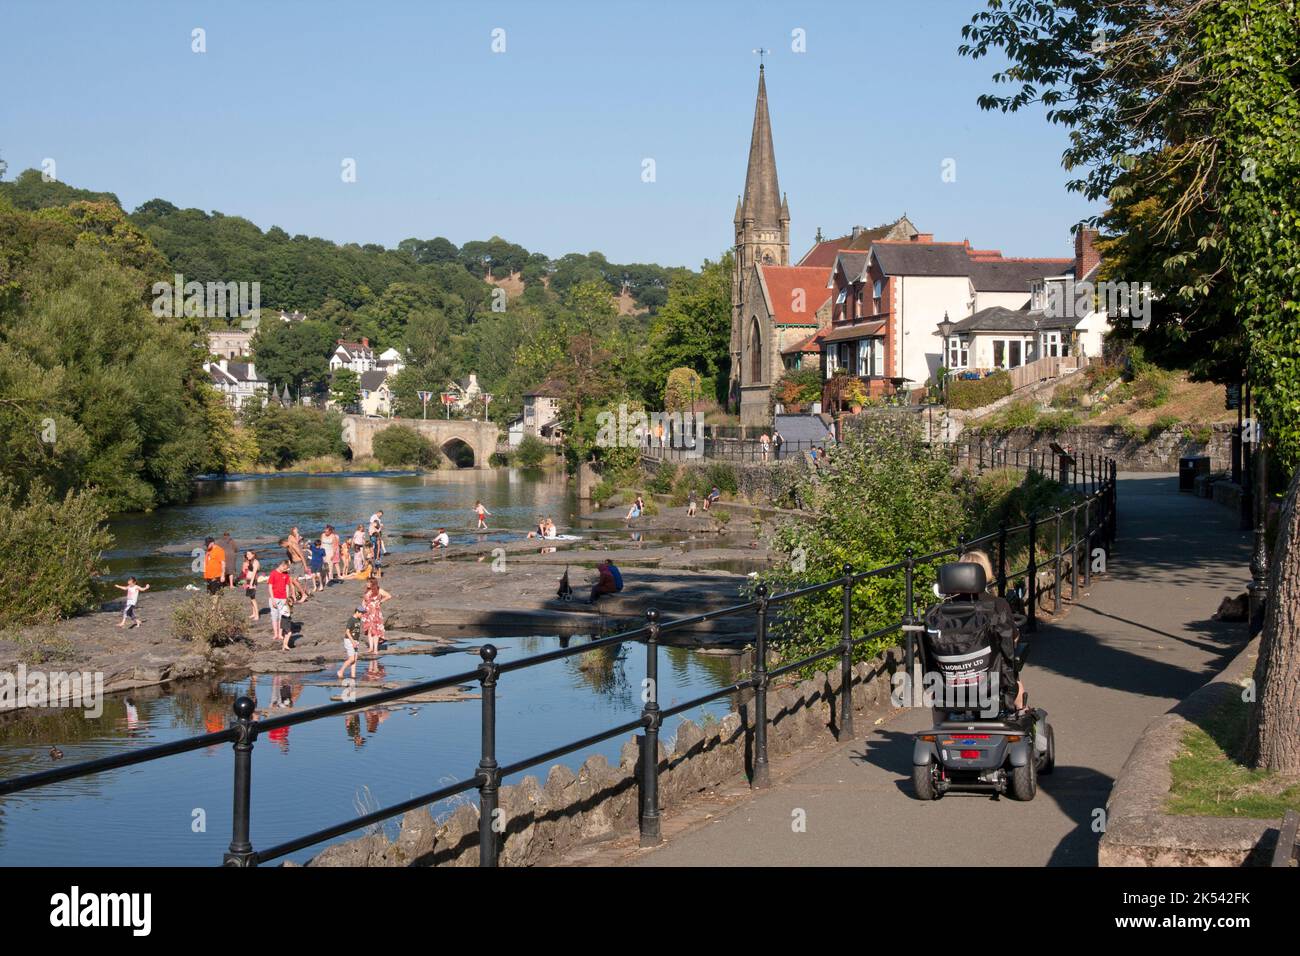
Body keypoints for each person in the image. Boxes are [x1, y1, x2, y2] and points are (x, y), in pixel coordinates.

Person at [954, 549, 1025, 713]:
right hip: (992, 678)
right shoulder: (998, 605)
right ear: (985, 572)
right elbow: (1012, 638)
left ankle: (941, 724)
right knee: (1014, 676)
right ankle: (1022, 712)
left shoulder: (943, 611)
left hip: (952, 680)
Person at [361, 576, 393, 655]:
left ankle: (375, 649)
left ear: (373, 583)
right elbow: (364, 601)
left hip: (375, 613)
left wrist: (380, 601)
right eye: (367, 582)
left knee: (375, 631)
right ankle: (371, 648)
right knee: (369, 630)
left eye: (368, 582)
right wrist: (362, 609)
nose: (367, 583)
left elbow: (389, 596)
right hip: (367, 612)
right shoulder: (367, 591)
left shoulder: (379, 590)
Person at [267, 560, 293, 649]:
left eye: (286, 569)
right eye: (284, 568)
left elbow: (287, 586)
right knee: (274, 616)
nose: (285, 570)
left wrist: (287, 597)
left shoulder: (286, 575)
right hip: (274, 598)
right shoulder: (273, 573)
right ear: (281, 566)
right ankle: (276, 634)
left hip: (283, 598)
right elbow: (270, 586)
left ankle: (281, 634)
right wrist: (273, 599)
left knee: (282, 616)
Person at [339, 607, 364, 681]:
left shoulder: (358, 619)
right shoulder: (351, 620)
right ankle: (340, 671)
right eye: (361, 613)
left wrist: (356, 641)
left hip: (355, 641)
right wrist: (352, 641)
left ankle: (353, 675)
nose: (362, 615)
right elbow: (347, 631)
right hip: (349, 640)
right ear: (357, 612)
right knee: (351, 658)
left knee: (355, 659)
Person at [240, 551, 260, 621]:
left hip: (253, 581)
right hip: (248, 581)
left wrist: (251, 583)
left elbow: (254, 573)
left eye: (248, 554)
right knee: (251, 598)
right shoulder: (250, 561)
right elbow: (247, 571)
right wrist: (245, 582)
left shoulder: (255, 562)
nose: (247, 555)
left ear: (253, 554)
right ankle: (254, 613)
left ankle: (257, 615)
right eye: (246, 554)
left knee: (253, 599)